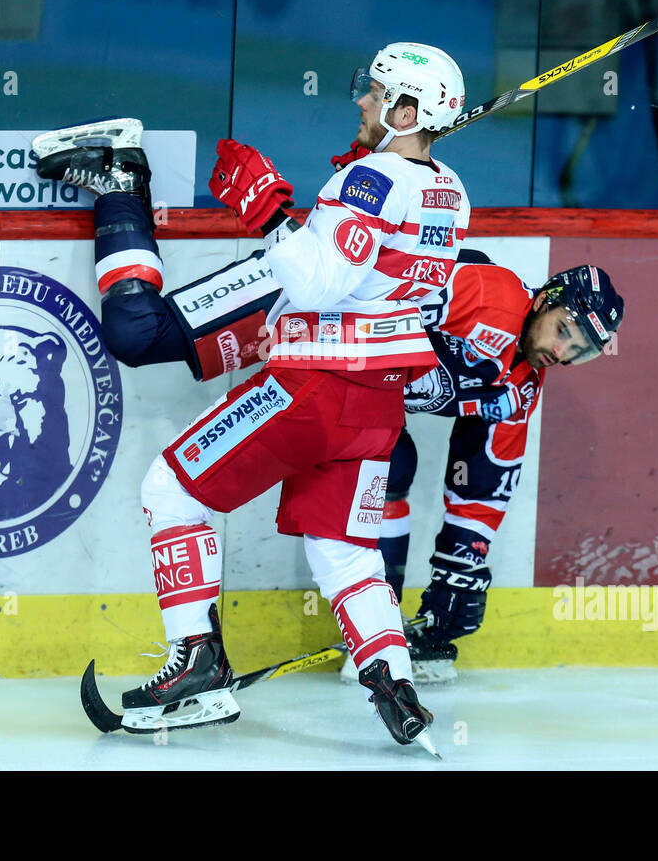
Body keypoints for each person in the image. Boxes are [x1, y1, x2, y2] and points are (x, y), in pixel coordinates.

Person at [36, 43, 471, 747]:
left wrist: (270, 214)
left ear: (407, 111)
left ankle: (197, 663)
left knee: (171, 488)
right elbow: (385, 270)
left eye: (376, 93)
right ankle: (394, 676)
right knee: (346, 551)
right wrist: (359, 192)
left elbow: (315, 284)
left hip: (314, 389)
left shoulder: (373, 182)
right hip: (376, 407)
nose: (361, 100)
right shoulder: (450, 190)